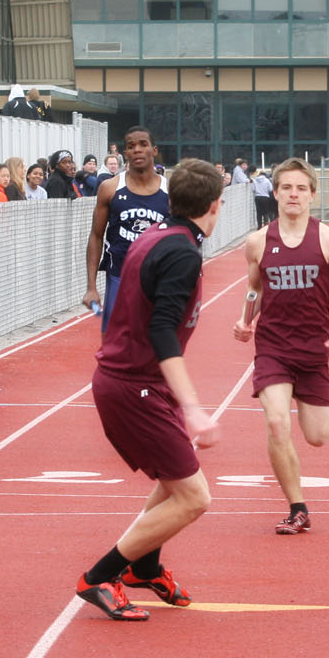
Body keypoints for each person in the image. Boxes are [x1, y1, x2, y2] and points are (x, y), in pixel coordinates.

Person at [74, 159, 225, 621]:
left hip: (136, 382)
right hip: (133, 386)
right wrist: (192, 407)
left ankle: (144, 566)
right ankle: (100, 576)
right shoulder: (181, 253)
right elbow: (162, 331)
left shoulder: (156, 235)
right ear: (215, 206)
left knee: (175, 479)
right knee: (194, 497)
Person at [231, 158, 329, 534]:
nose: (293, 194)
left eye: (301, 188)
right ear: (274, 193)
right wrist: (245, 320)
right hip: (273, 348)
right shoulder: (258, 242)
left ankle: (298, 500)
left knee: (317, 436)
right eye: (286, 187)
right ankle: (297, 508)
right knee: (276, 423)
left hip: (315, 350)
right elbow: (254, 288)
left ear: (312, 195)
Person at [83, 127, 170, 333]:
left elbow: (183, 239)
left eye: (143, 144)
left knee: (156, 342)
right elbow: (96, 236)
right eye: (131, 146)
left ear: (154, 150)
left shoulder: (171, 190)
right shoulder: (110, 187)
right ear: (125, 154)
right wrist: (91, 287)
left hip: (158, 280)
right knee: (113, 342)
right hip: (119, 276)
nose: (137, 150)